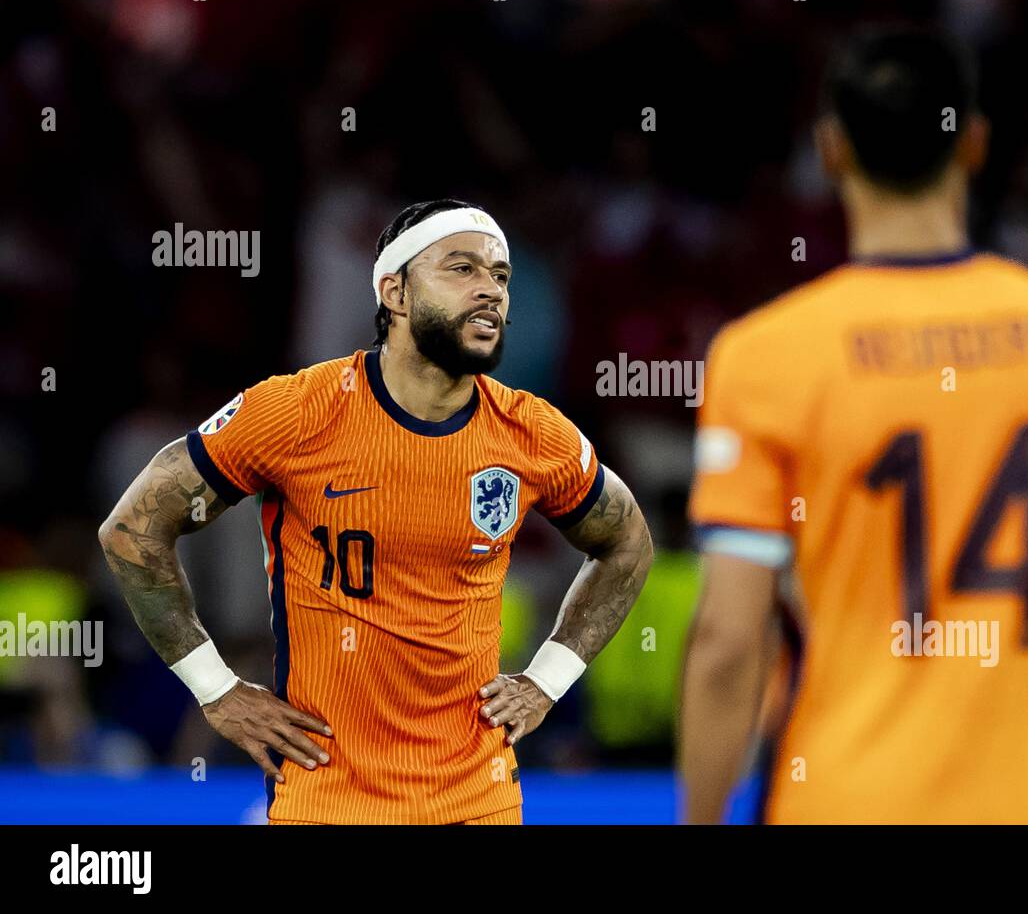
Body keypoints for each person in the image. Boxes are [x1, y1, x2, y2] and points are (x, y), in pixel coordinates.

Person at [680, 26, 1028, 823]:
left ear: (831, 148)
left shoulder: (765, 355)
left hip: (840, 800)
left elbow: (730, 641)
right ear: (974, 143)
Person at [99, 198, 653, 824]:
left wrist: (546, 680)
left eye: (500, 276)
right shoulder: (297, 412)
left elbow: (628, 542)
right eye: (461, 269)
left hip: (480, 802)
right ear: (394, 291)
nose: (490, 291)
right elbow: (132, 530)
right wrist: (216, 690)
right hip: (328, 801)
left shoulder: (531, 432)